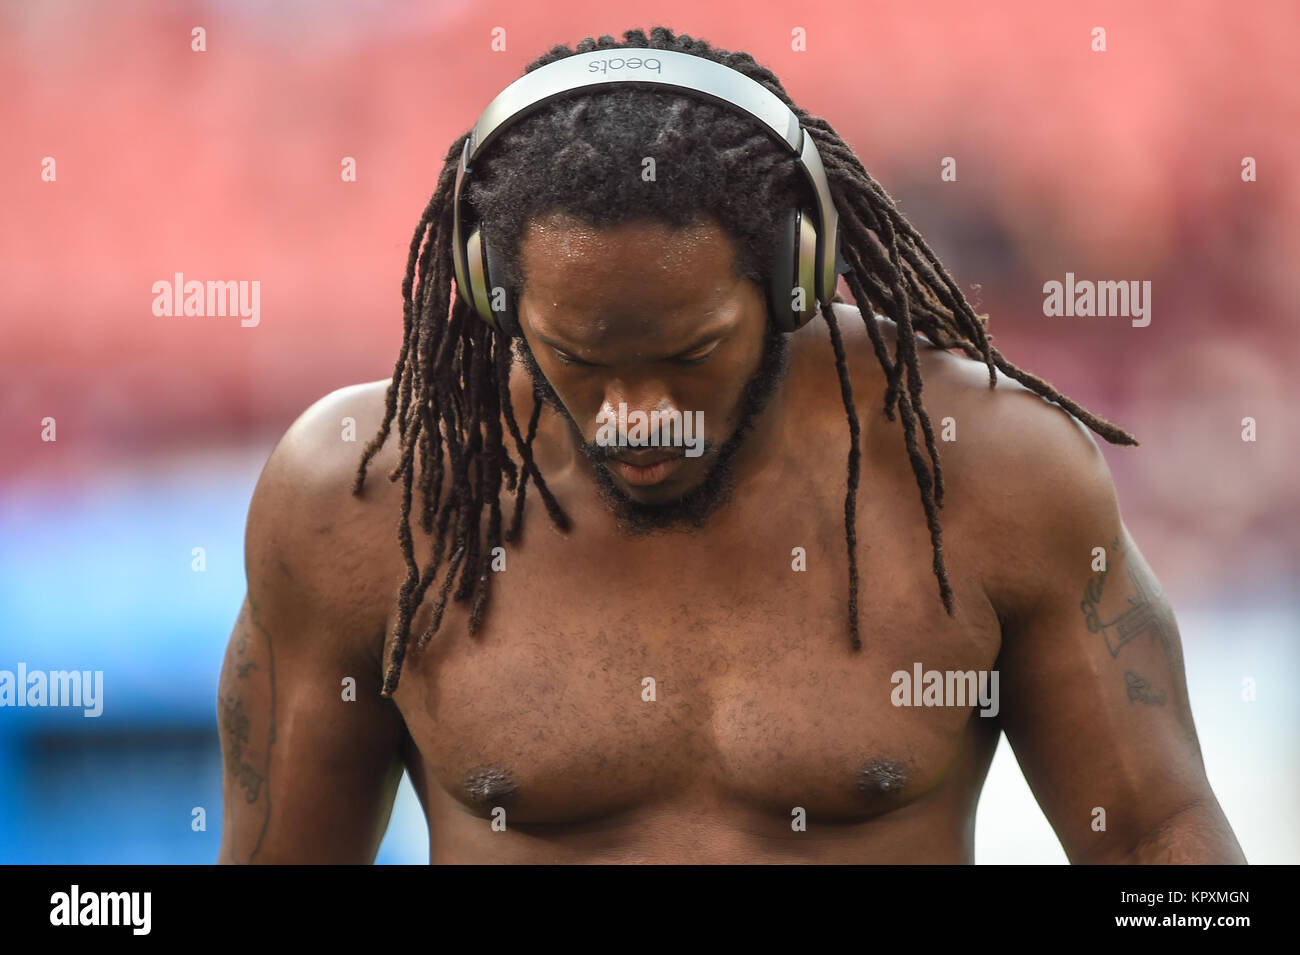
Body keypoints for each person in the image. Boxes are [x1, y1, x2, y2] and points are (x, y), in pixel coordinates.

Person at [216, 27, 1244, 864]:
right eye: (578, 357)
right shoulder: (364, 500)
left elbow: (1153, 840)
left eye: (692, 352)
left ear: (795, 283)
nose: (638, 411)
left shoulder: (990, 472)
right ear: (494, 298)